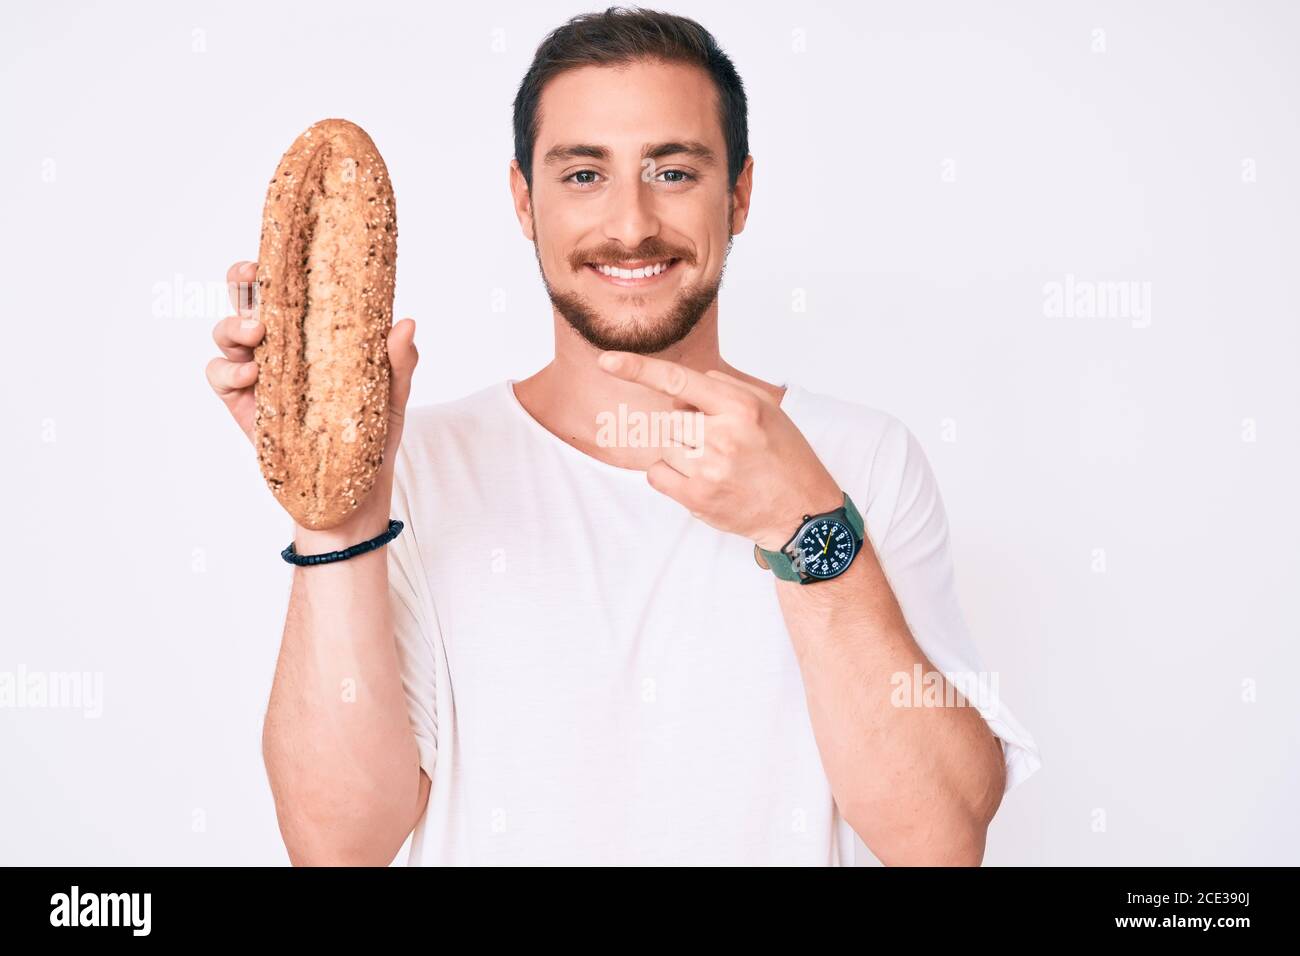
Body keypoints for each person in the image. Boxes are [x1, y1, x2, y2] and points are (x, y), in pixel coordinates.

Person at [206, 6, 1041, 866]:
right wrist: (338, 514)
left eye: (673, 171)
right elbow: (337, 847)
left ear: (740, 194)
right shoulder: (418, 466)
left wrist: (805, 525)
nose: (632, 223)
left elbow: (938, 841)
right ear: (524, 202)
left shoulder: (859, 459)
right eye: (582, 176)